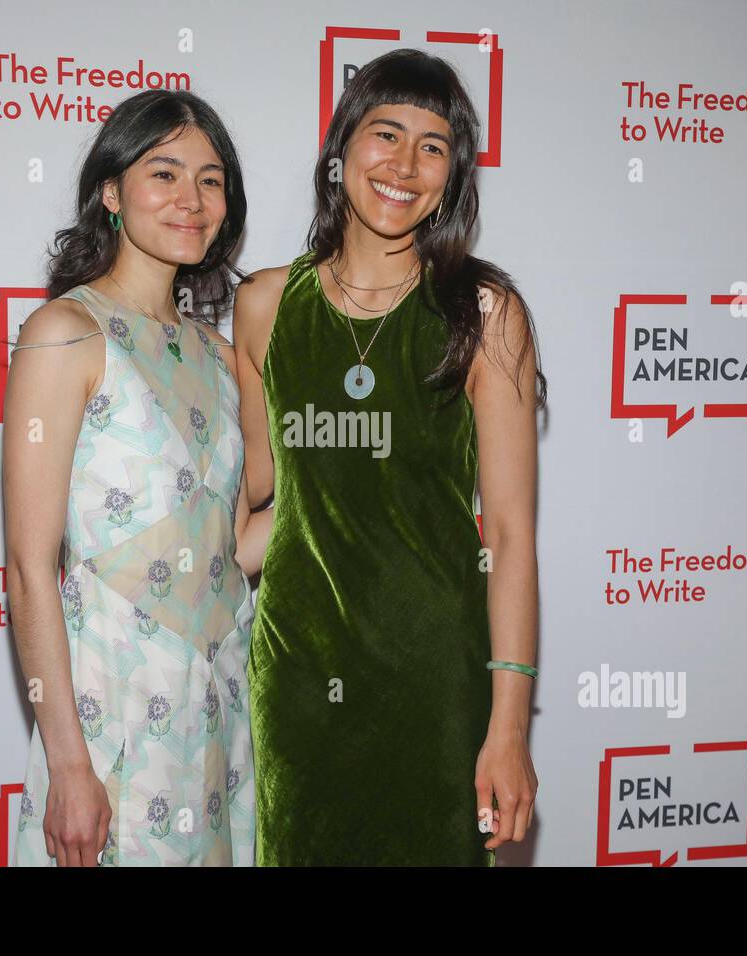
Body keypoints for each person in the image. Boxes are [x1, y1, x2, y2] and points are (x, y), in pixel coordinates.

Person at [232, 49, 546, 866]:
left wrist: (507, 727)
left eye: (433, 146)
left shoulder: (484, 312)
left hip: (433, 680)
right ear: (341, 151)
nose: (404, 165)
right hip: (300, 676)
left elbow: (509, 534)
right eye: (386, 134)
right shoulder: (265, 305)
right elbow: (264, 497)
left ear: (454, 175)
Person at [3, 89, 269, 867]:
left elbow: (233, 549)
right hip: (109, 720)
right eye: (165, 173)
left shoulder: (220, 358)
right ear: (112, 193)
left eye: (212, 179)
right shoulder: (64, 334)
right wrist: (69, 766)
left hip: (216, 723)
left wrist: (350, 484)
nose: (192, 199)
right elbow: (28, 570)